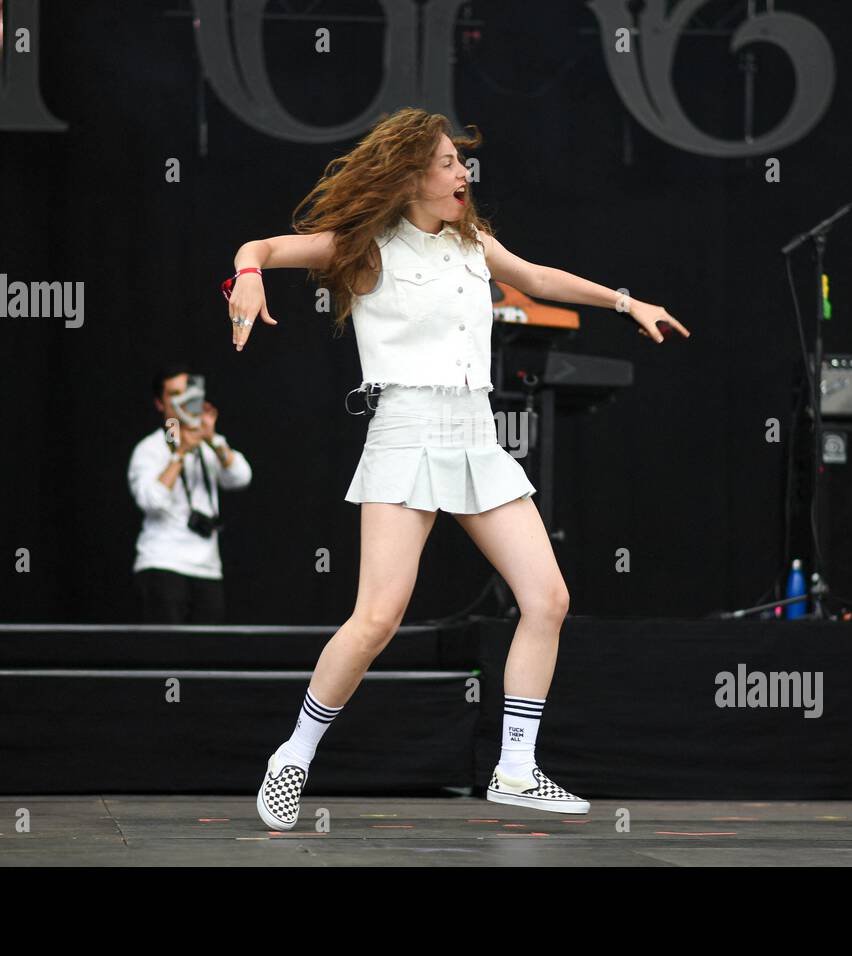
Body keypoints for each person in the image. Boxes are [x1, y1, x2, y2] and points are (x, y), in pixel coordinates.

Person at [224, 107, 687, 830]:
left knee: (548, 599)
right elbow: (262, 247)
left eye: (460, 161)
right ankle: (295, 754)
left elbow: (536, 276)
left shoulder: (472, 242)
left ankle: (515, 768)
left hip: (476, 430)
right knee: (377, 617)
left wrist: (627, 302)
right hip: (406, 429)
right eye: (446, 162)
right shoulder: (365, 244)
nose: (462, 171)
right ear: (411, 178)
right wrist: (246, 276)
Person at [128, 364, 252, 624]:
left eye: (187, 392)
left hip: (207, 567)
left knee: (208, 656)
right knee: (165, 655)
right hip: (163, 563)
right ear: (160, 404)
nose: (183, 400)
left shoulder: (207, 445)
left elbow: (240, 477)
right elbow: (151, 501)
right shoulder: (149, 448)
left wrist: (213, 439)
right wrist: (180, 452)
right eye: (174, 394)